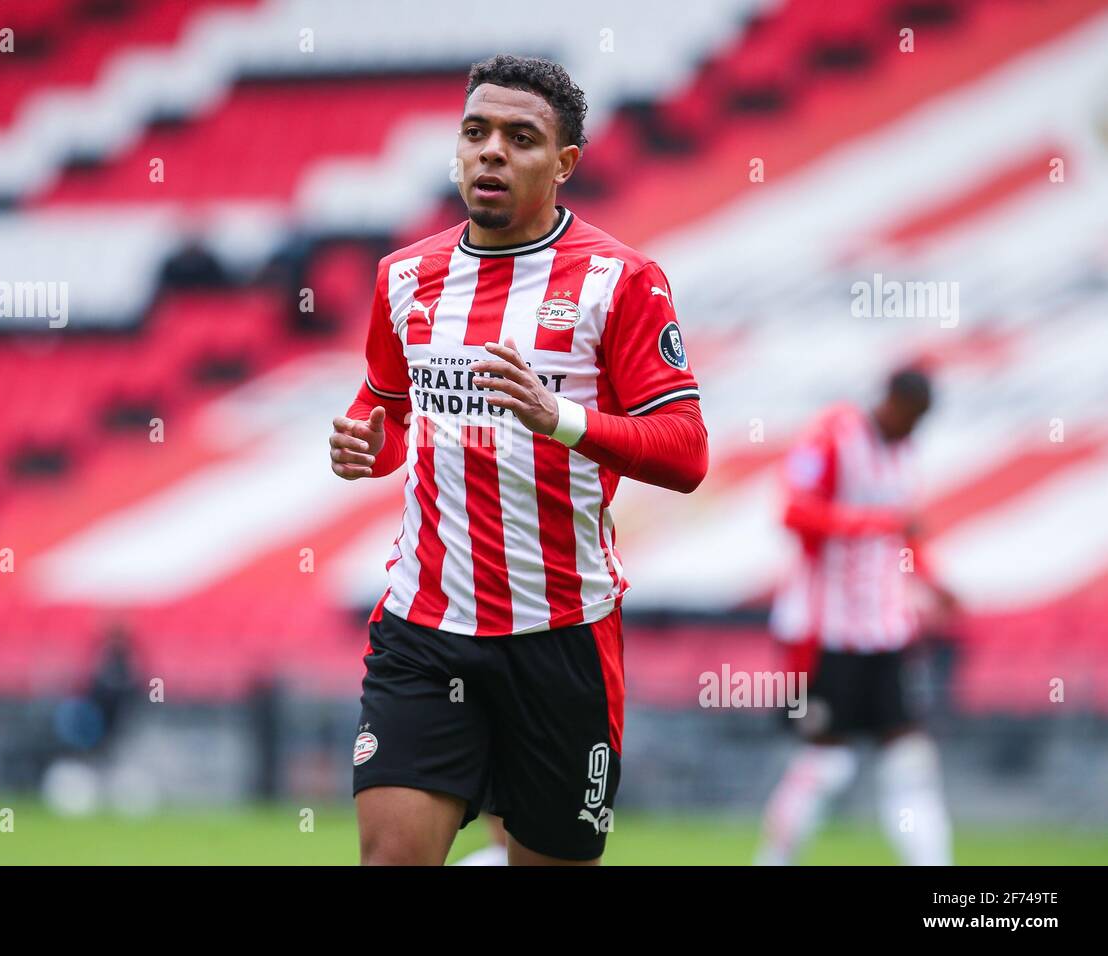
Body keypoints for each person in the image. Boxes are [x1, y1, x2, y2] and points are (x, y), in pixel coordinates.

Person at [329, 54, 709, 865]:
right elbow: (388, 412)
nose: (491, 151)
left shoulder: (622, 282)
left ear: (565, 164)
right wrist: (366, 444)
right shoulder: (405, 277)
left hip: (561, 633)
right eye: (476, 132)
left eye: (520, 137)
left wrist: (560, 416)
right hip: (424, 626)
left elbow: (686, 453)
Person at [756, 368, 959, 866]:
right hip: (826, 631)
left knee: (909, 761)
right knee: (826, 763)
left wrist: (933, 582)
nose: (912, 429)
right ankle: (772, 860)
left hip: (886, 630)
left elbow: (903, 537)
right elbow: (793, 513)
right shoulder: (833, 436)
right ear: (890, 400)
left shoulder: (905, 455)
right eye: (910, 417)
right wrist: (877, 521)